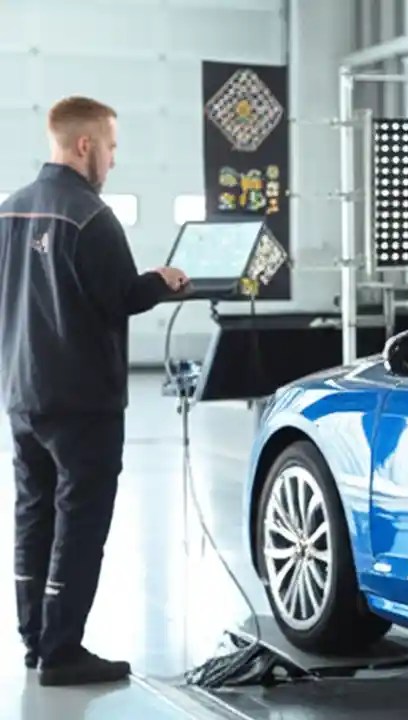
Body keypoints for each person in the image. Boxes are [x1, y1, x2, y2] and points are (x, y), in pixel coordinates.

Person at [0, 96, 189, 686]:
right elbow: (119, 298)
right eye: (110, 146)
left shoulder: (9, 210)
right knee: (80, 521)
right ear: (84, 145)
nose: (112, 159)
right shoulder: (90, 215)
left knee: (33, 513)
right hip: (83, 399)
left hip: (23, 391)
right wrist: (160, 282)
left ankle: (35, 638)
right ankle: (63, 650)